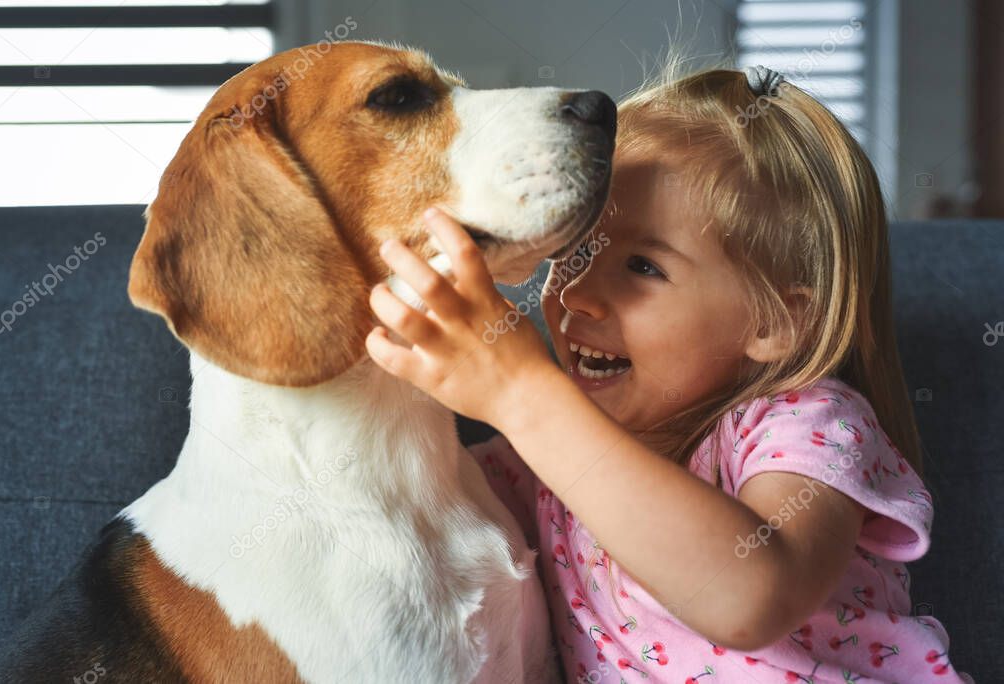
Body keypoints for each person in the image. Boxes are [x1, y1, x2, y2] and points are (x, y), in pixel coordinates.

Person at [365, 62, 973, 683]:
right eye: (575, 251)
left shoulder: (806, 423)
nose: (577, 295)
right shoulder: (536, 466)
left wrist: (522, 393)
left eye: (642, 267)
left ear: (775, 323)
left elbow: (751, 597)